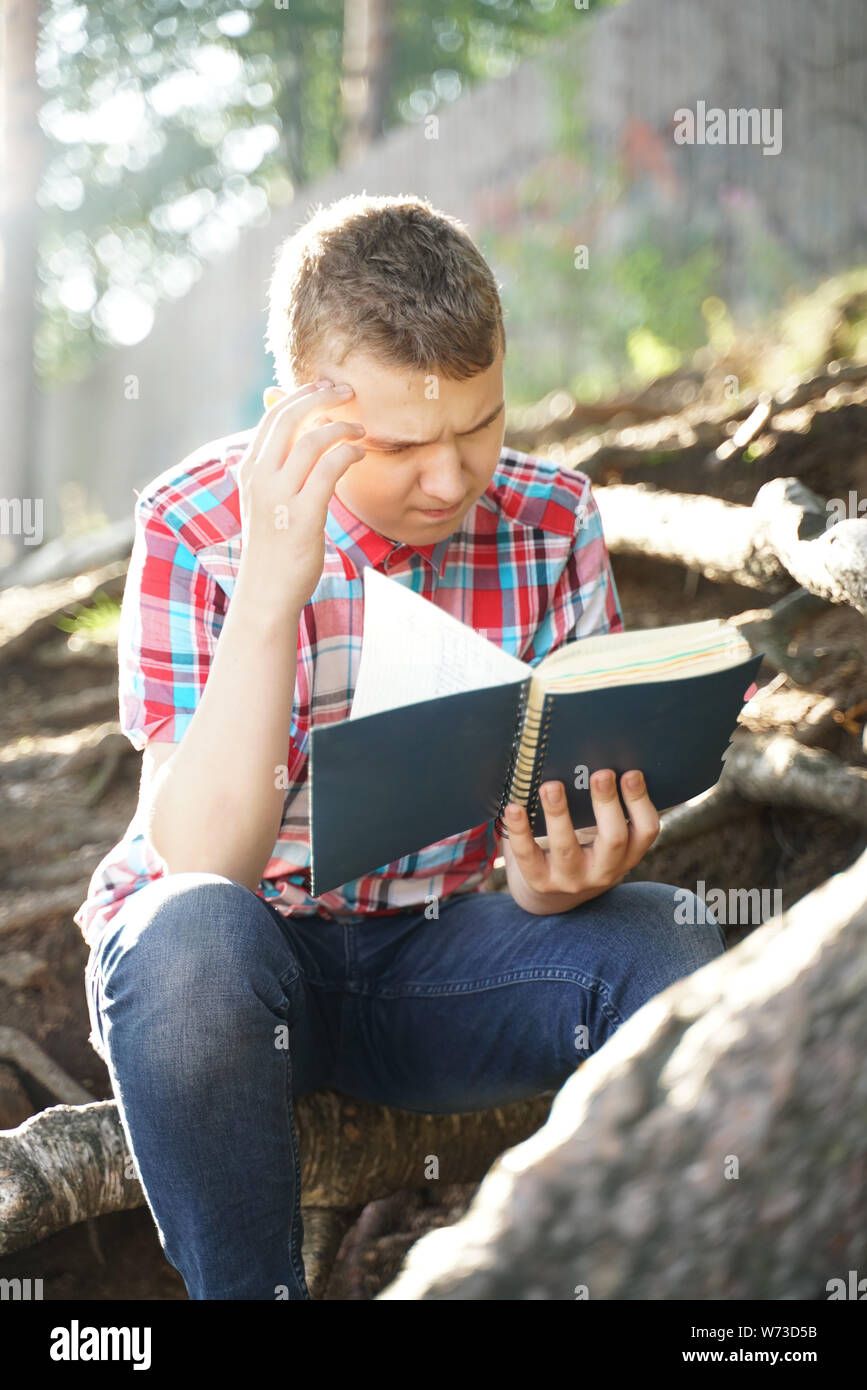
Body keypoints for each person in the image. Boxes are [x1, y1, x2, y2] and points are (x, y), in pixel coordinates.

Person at [75, 193, 724, 1301]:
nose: (451, 478)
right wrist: (273, 590)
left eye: (482, 424)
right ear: (300, 415)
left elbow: (553, 811)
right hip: (235, 981)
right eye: (406, 444)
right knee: (189, 937)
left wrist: (563, 872)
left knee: (669, 939)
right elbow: (200, 867)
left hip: (438, 956)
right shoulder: (195, 521)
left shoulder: (550, 519)